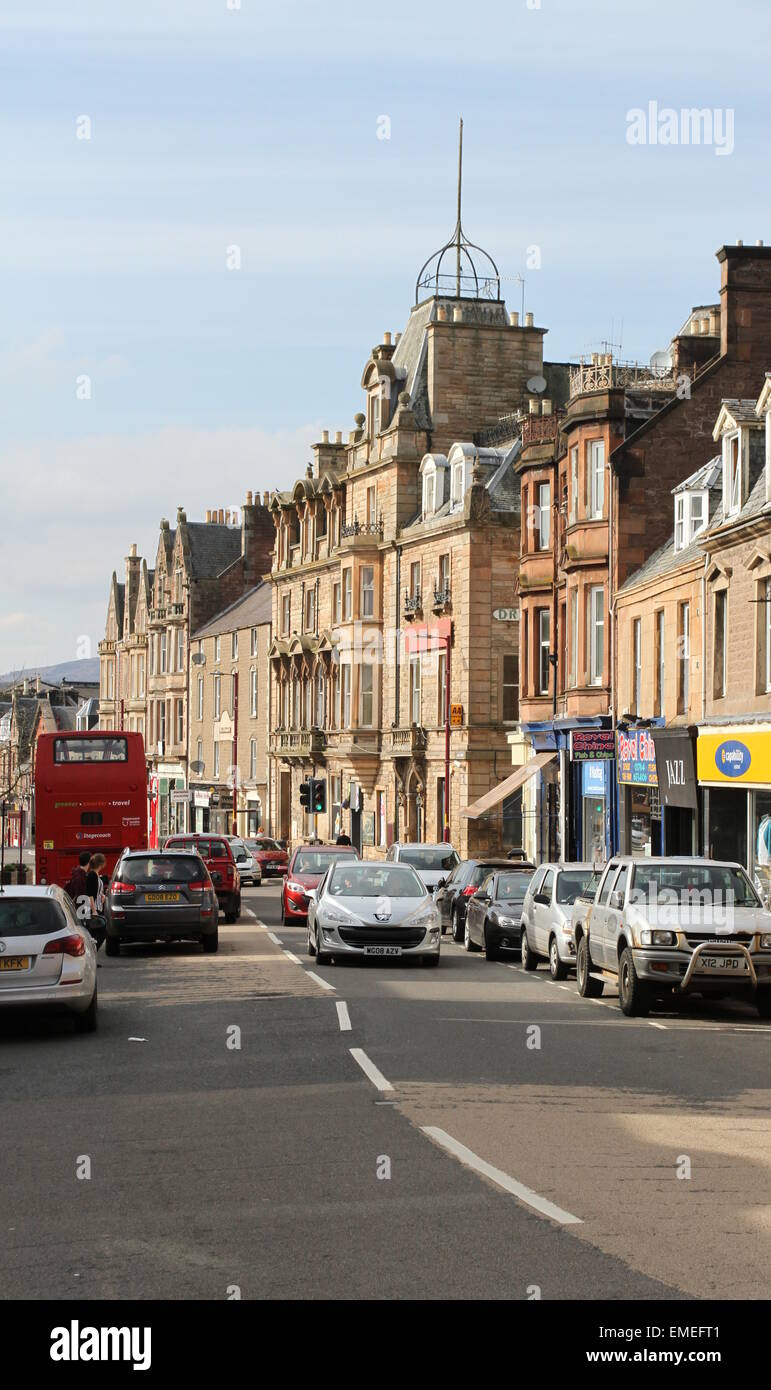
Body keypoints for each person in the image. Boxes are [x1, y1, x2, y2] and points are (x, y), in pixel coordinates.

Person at [84, 852, 107, 952]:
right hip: (94, 909)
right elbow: (90, 894)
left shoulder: (96, 875)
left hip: (98, 907)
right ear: (101, 864)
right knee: (100, 932)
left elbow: (96, 892)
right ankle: (92, 954)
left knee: (95, 934)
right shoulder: (92, 875)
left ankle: (93, 955)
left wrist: (102, 896)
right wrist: (93, 910)